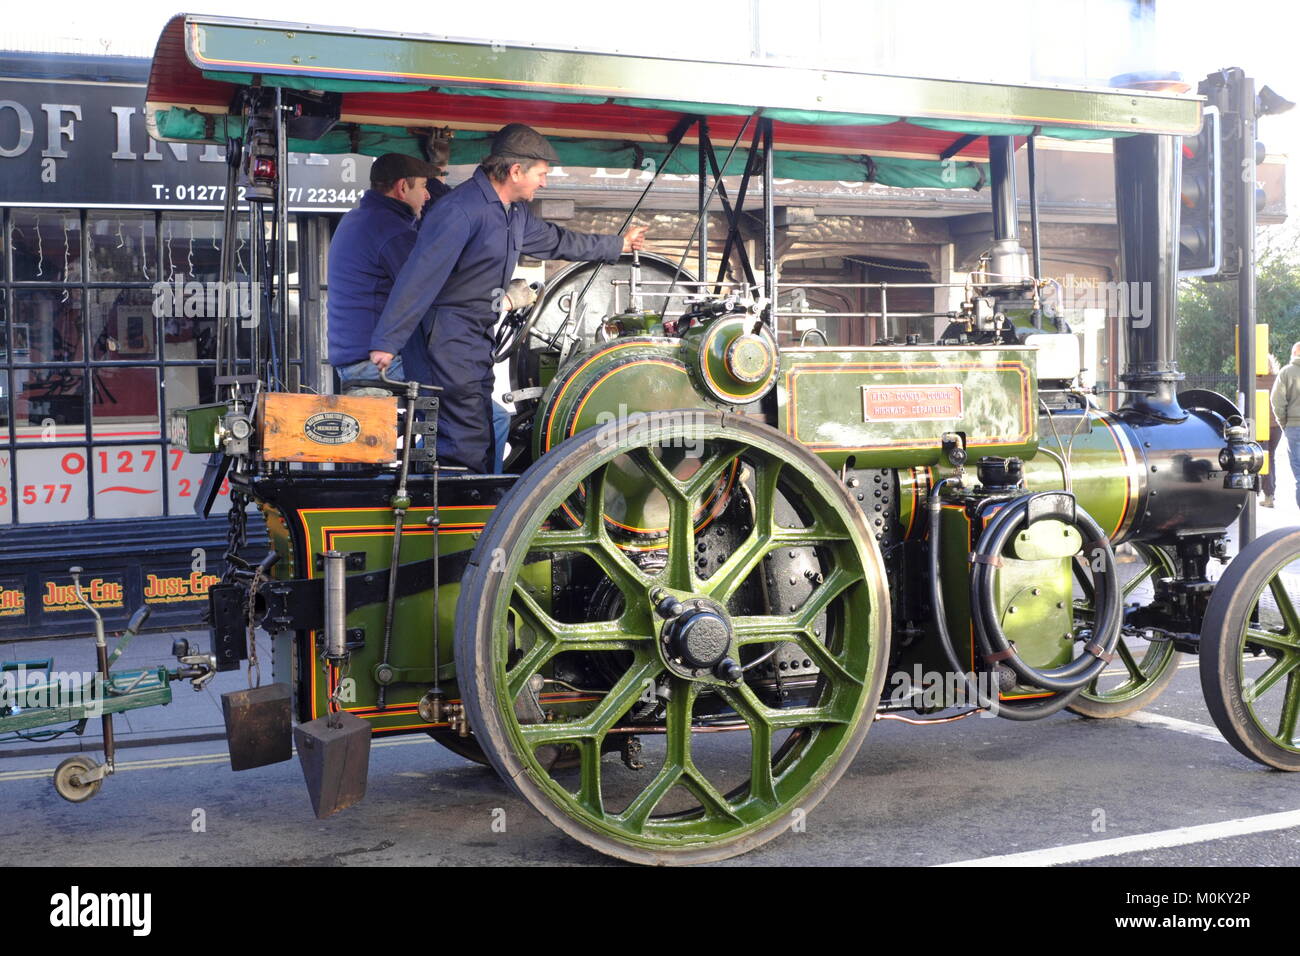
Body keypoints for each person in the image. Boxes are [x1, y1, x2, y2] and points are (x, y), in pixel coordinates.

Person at [368, 123, 647, 472]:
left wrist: (617, 245)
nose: (543, 182)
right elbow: (417, 278)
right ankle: (454, 516)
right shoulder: (460, 211)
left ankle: (477, 515)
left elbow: (558, 240)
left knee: (482, 430)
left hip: (474, 339)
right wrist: (387, 341)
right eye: (541, 174)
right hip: (444, 339)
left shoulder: (514, 214)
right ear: (516, 171)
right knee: (461, 440)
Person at [327, 152, 450, 395]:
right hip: (378, 364)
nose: (428, 195)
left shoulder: (359, 218)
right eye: (425, 186)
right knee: (485, 412)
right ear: (402, 187)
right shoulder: (392, 232)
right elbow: (431, 289)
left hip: (353, 361)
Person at [1270, 343, 1300, 509]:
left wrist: (1284, 423)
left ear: (1294, 353)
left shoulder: (1286, 372)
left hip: (1294, 427)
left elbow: (1277, 401)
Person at [1259, 353, 1282, 508]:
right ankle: (1270, 494)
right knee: (1271, 458)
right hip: (1276, 427)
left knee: (1262, 460)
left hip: (1261, 426)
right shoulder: (1277, 379)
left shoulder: (1253, 380)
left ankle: (1267, 495)